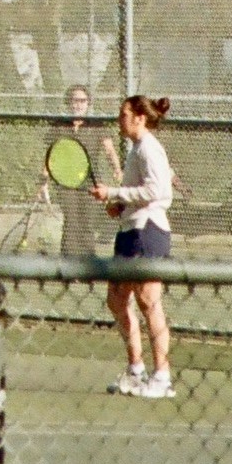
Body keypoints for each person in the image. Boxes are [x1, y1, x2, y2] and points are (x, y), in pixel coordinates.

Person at [102, 94, 175, 399]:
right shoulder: (135, 150)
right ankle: (136, 371)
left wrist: (115, 191)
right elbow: (139, 191)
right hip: (130, 229)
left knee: (148, 303)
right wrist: (119, 204)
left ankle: (162, 377)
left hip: (149, 230)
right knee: (117, 300)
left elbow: (157, 190)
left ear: (139, 118)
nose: (119, 119)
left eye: (123, 114)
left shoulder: (149, 149)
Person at [42, 82, 117, 258]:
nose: (78, 104)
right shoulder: (59, 125)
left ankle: (88, 264)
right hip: (65, 181)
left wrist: (117, 170)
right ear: (68, 102)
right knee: (71, 222)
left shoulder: (96, 125)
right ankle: (68, 265)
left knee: (87, 222)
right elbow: (50, 155)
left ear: (88, 103)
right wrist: (43, 180)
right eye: (74, 100)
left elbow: (109, 150)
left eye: (82, 101)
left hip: (90, 181)